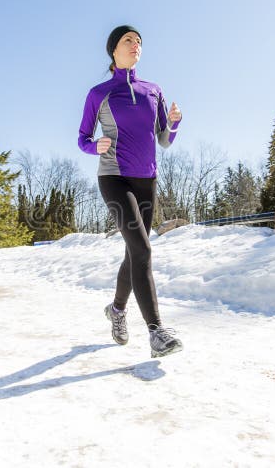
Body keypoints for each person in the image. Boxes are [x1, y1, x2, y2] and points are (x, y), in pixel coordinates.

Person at [77, 25, 184, 358]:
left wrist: (174, 122)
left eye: (139, 41)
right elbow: (82, 138)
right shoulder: (99, 93)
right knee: (142, 249)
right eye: (128, 40)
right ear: (114, 50)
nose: (135, 44)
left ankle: (117, 310)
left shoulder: (153, 90)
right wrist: (95, 146)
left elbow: (164, 140)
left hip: (146, 180)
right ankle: (157, 332)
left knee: (134, 251)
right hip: (114, 177)